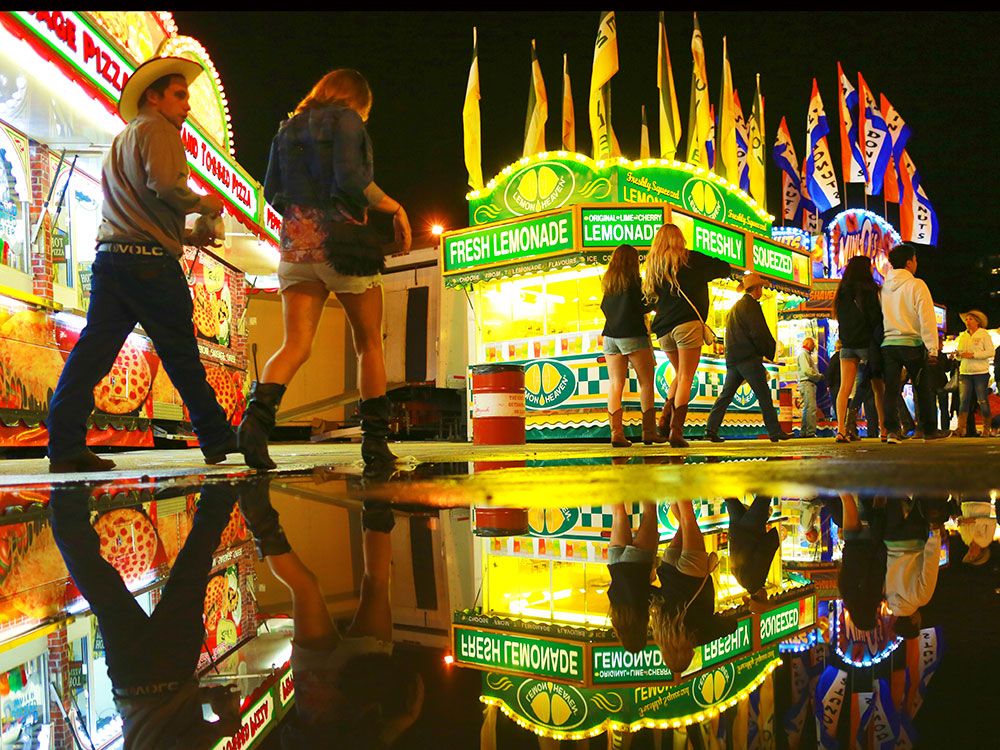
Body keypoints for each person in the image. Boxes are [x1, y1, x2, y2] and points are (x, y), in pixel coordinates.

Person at [46, 57, 237, 473]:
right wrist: (206, 204)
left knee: (91, 355)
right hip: (149, 266)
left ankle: (64, 444)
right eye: (180, 95)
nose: (186, 106)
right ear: (155, 97)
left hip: (113, 260)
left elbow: (142, 207)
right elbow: (167, 186)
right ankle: (217, 436)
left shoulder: (123, 139)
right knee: (181, 354)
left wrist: (185, 235)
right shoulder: (160, 130)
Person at [242, 69, 412, 470]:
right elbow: (352, 179)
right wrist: (395, 207)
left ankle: (254, 425)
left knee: (294, 346)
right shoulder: (346, 119)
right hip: (344, 250)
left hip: (295, 252)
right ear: (357, 101)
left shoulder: (285, 130)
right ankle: (375, 445)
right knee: (369, 343)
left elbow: (271, 191)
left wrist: (304, 222)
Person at [48, 482, 244, 748]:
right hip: (133, 682)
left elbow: (182, 739)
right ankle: (66, 505)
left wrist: (225, 725)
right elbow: (168, 721)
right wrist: (208, 699)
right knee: (102, 588)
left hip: (171, 670)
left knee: (190, 573)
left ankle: (221, 494)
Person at [237, 475, 424, 747]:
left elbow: (379, 738)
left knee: (376, 582)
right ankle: (256, 512)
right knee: (304, 587)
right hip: (316, 696)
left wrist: (402, 721)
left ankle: (377, 477)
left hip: (363, 688)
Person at [643, 223, 732, 448]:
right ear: (680, 239)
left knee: (679, 373)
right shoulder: (690, 258)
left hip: (663, 330)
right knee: (685, 377)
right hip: (687, 325)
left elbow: (651, 300)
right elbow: (724, 268)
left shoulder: (653, 266)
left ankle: (664, 424)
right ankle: (676, 430)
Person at [649, 500, 737, 674]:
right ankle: (672, 489)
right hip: (669, 570)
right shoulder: (661, 630)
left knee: (688, 518)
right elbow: (657, 598)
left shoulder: (699, 636)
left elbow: (732, 626)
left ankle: (681, 478)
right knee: (683, 523)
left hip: (693, 573)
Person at [704, 272, 790, 442]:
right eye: (761, 287)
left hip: (734, 360)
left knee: (725, 396)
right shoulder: (752, 306)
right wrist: (767, 351)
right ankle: (774, 431)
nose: (762, 291)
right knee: (764, 395)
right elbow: (758, 332)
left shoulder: (735, 307)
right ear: (756, 289)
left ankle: (710, 429)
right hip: (748, 359)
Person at [879, 243, 948, 443]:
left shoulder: (883, 288)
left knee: (891, 389)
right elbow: (926, 318)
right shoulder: (917, 285)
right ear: (909, 263)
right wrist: (932, 348)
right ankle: (929, 430)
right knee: (922, 387)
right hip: (912, 344)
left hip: (888, 345)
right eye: (915, 259)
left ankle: (891, 430)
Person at [600, 244, 663, 446]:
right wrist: (654, 302)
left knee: (616, 384)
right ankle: (649, 432)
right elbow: (643, 306)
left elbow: (604, 308)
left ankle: (616, 434)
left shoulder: (609, 284)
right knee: (646, 382)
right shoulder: (634, 282)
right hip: (633, 336)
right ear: (633, 261)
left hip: (609, 337)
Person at [832, 255, 886, 443]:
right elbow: (875, 318)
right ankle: (884, 429)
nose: (872, 269)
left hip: (847, 345)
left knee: (844, 388)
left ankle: (841, 430)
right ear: (865, 269)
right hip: (866, 344)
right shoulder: (869, 290)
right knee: (878, 387)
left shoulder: (842, 292)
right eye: (870, 266)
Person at [883, 497, 942, 641]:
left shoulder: (921, 598)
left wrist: (935, 536)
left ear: (914, 621)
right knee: (892, 495)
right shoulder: (887, 598)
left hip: (914, 539)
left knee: (920, 496)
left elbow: (930, 566)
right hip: (890, 540)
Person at [606, 502, 658, 652]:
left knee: (650, 511)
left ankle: (644, 479)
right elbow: (611, 590)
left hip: (638, 563)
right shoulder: (616, 615)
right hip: (615, 563)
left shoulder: (641, 614)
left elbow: (650, 591)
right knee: (618, 512)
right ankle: (614, 479)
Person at [838, 492, 887, 632]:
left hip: (869, 541)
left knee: (865, 502)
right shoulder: (847, 595)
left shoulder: (874, 593)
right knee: (846, 498)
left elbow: (879, 567)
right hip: (851, 543)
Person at [724, 496, 780, 607]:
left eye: (766, 597)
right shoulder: (742, 582)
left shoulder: (757, 581)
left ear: (761, 597)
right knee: (729, 497)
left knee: (765, 494)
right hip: (736, 531)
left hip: (751, 530)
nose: (767, 595)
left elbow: (762, 555)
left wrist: (774, 541)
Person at [955, 309, 995, 437]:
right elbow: (960, 354)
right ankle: (961, 429)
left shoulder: (984, 334)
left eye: (970, 319)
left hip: (980, 373)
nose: (967, 321)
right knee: (964, 401)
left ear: (977, 322)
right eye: (966, 319)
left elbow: (990, 352)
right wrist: (958, 355)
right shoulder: (963, 336)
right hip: (965, 372)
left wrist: (973, 355)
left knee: (982, 400)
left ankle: (986, 428)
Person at [796, 337, 823, 438]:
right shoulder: (804, 354)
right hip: (807, 383)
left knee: (807, 408)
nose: (814, 347)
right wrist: (818, 376)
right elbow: (807, 370)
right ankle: (810, 432)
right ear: (807, 343)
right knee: (811, 407)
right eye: (813, 345)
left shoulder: (805, 354)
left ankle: (804, 432)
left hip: (807, 383)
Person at [825, 340, 842, 421]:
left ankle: (838, 422)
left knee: (836, 403)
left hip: (835, 384)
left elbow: (830, 372)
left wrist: (828, 384)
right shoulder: (845, 357)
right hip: (843, 383)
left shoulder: (834, 358)